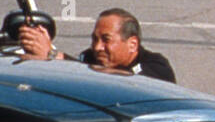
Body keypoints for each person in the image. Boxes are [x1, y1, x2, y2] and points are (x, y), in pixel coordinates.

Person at [18, 8, 175, 82]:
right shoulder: (89, 57)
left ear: (132, 44)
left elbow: (120, 84)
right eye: (95, 39)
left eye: (106, 40)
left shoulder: (157, 68)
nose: (98, 47)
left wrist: (53, 55)